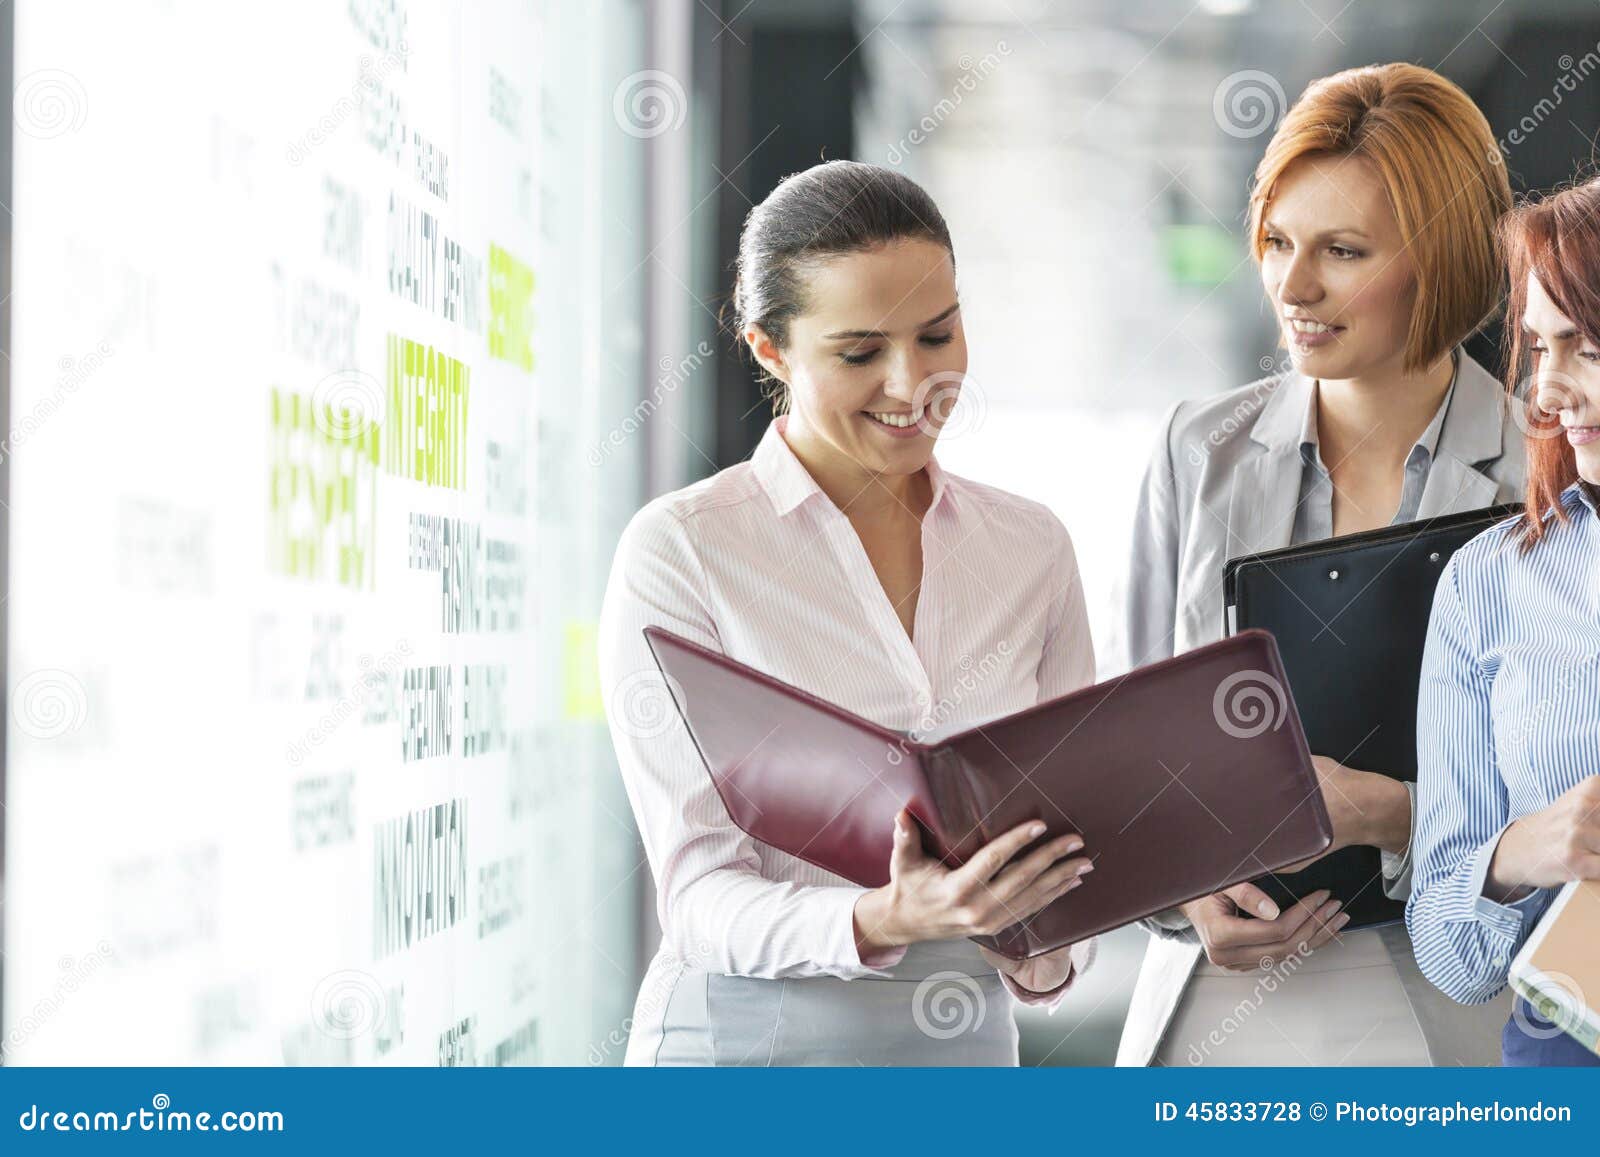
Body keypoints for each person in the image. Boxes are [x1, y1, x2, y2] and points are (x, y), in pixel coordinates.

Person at [598, 160, 1098, 1066]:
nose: (912, 386)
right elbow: (700, 893)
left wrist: (1043, 932)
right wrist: (883, 917)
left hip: (962, 1053)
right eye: (861, 353)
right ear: (769, 350)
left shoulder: (1031, 550)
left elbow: (1073, 859)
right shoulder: (684, 550)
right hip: (745, 1054)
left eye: (938, 335)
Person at [1112, 63, 1522, 1067]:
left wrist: (1387, 810)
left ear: (1441, 262)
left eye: (1341, 251)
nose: (1293, 288)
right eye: (1278, 242)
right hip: (1217, 1003)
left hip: (1453, 1006)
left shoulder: (1547, 472)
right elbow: (1126, 752)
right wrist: (1180, 890)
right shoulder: (1194, 452)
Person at [1408, 176, 1600, 1067]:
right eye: (1538, 346)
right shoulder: (1489, 583)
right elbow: (1447, 950)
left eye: (1586, 346)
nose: (1550, 389)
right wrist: (1520, 850)